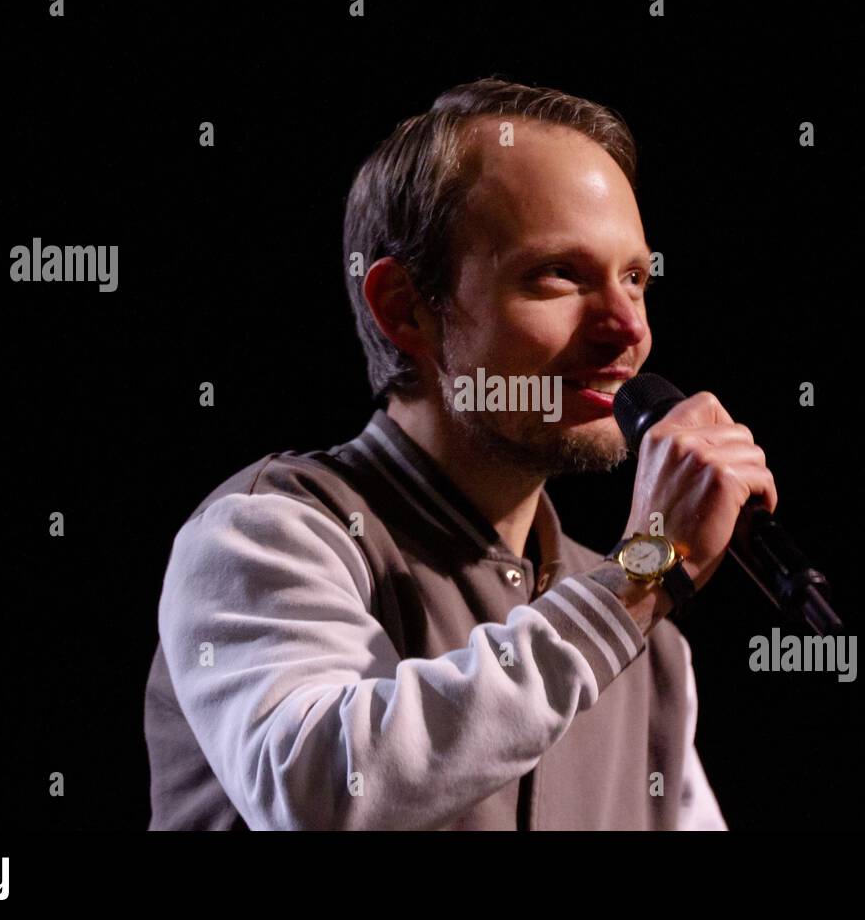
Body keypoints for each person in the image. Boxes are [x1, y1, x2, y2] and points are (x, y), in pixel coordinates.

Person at [144, 77, 778, 830]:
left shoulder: (654, 650)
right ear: (405, 309)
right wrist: (647, 567)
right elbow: (322, 792)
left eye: (635, 279)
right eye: (560, 275)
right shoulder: (265, 531)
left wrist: (636, 585)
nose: (625, 329)